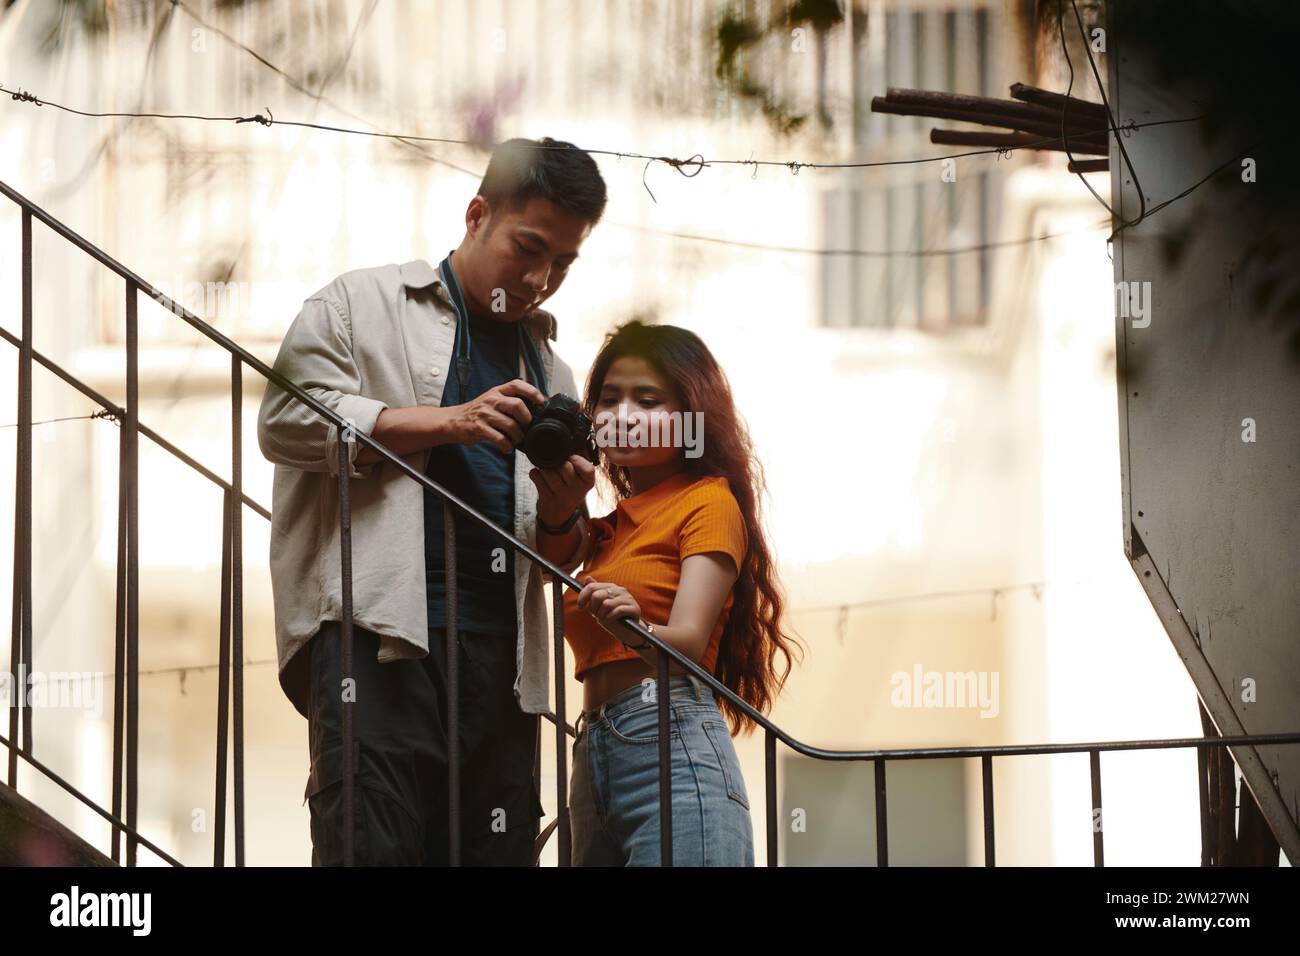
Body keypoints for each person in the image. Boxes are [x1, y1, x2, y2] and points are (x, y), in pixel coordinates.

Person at [256, 137, 607, 865]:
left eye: (564, 263)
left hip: (506, 668)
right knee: (371, 844)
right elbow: (283, 420)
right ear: (476, 214)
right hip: (378, 637)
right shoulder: (361, 304)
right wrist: (451, 421)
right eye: (529, 247)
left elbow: (554, 560)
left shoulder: (555, 370)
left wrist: (564, 509)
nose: (541, 278)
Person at [532, 320, 802, 866]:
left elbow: (687, 643)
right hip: (596, 746)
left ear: (692, 419)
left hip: (670, 738)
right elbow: (544, 557)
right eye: (609, 400)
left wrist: (636, 625)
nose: (624, 415)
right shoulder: (611, 527)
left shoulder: (708, 502)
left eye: (648, 401)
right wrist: (560, 506)